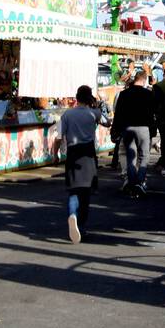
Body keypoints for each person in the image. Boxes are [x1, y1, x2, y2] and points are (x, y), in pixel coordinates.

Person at [55, 85, 100, 244]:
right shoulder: (93, 113)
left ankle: (72, 214)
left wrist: (55, 154)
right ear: (89, 98)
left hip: (73, 152)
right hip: (88, 153)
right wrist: (95, 106)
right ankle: (82, 225)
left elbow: (59, 136)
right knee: (86, 192)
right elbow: (108, 123)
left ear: (76, 97)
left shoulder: (67, 114)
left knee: (74, 189)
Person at [111, 69, 156, 198]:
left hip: (128, 128)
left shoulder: (124, 94)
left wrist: (115, 130)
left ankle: (131, 183)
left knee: (131, 157)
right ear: (144, 80)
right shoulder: (149, 94)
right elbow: (152, 114)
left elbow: (118, 114)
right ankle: (140, 181)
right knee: (144, 156)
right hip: (144, 128)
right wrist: (152, 130)